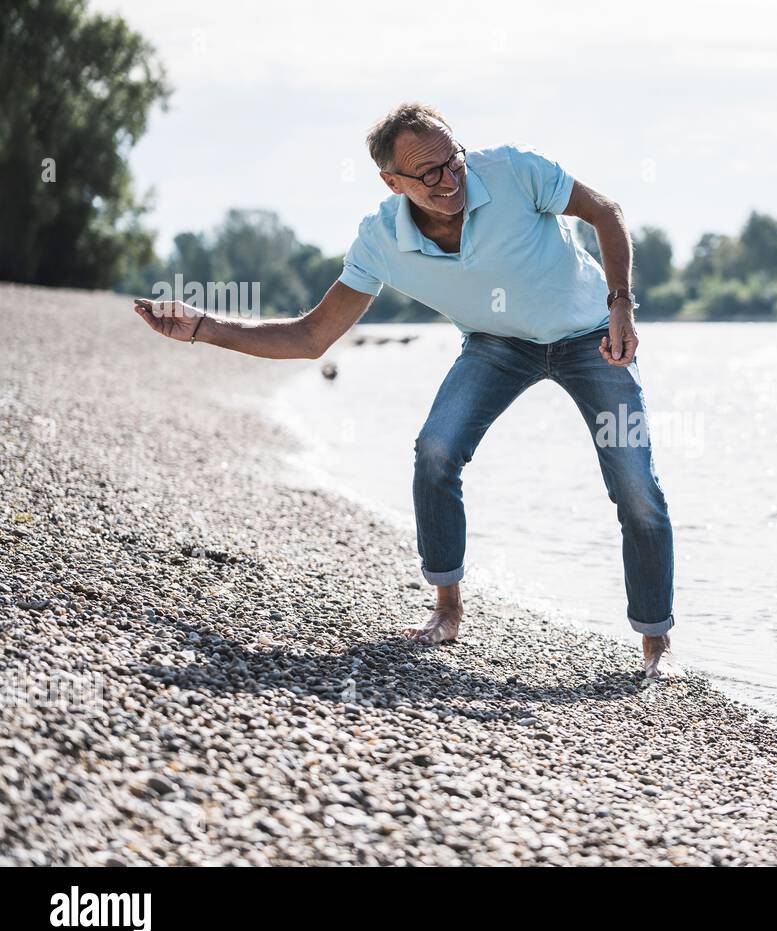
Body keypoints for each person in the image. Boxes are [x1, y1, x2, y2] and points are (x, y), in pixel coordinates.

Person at [134, 103, 682, 679]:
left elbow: (606, 212)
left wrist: (621, 303)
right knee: (436, 450)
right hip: (498, 345)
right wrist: (202, 327)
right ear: (391, 182)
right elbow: (311, 335)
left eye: (454, 162)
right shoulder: (380, 240)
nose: (449, 181)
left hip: (593, 334)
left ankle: (655, 641)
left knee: (635, 484)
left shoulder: (515, 172)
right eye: (428, 174)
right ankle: (447, 608)